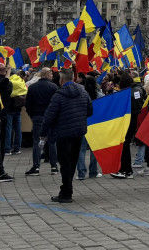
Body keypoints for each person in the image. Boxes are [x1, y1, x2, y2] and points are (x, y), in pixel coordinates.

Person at [41, 69, 93, 203]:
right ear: (74, 78)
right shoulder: (83, 91)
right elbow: (90, 110)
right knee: (72, 161)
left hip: (63, 133)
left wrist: (43, 132)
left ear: (61, 80)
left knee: (64, 163)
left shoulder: (59, 95)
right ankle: (66, 189)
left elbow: (49, 116)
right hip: (78, 131)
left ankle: (66, 193)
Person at [110, 71, 146, 179]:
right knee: (125, 145)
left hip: (128, 121)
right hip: (134, 121)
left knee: (124, 145)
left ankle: (126, 171)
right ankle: (125, 170)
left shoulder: (127, 93)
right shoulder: (138, 89)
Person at [24, 68, 59, 176]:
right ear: (47, 75)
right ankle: (54, 167)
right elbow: (57, 103)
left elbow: (28, 104)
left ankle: (36, 167)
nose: (52, 75)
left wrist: (32, 115)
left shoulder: (33, 87)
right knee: (52, 142)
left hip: (38, 117)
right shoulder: (54, 87)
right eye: (51, 74)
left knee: (37, 142)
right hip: (50, 118)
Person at [77, 73, 101, 180]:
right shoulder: (100, 95)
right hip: (96, 124)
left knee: (81, 150)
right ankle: (93, 172)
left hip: (82, 123)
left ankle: (81, 173)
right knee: (94, 149)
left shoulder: (80, 94)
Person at [4, 70, 27, 155]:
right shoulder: (21, 81)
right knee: (18, 129)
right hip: (18, 107)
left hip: (9, 108)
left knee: (8, 129)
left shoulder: (9, 81)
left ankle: (7, 149)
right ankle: (17, 149)